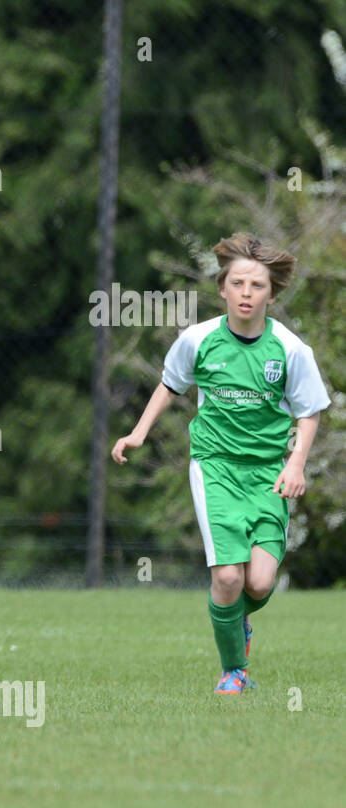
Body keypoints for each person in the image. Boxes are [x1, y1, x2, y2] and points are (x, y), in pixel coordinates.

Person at [112, 232, 330, 694]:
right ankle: (234, 671)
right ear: (222, 288)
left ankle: (234, 621)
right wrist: (138, 432)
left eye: (256, 285)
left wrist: (295, 466)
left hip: (269, 474)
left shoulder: (291, 350)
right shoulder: (199, 340)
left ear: (272, 293)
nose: (246, 293)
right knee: (228, 576)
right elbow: (170, 385)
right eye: (237, 283)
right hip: (215, 468)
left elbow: (309, 411)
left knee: (259, 583)